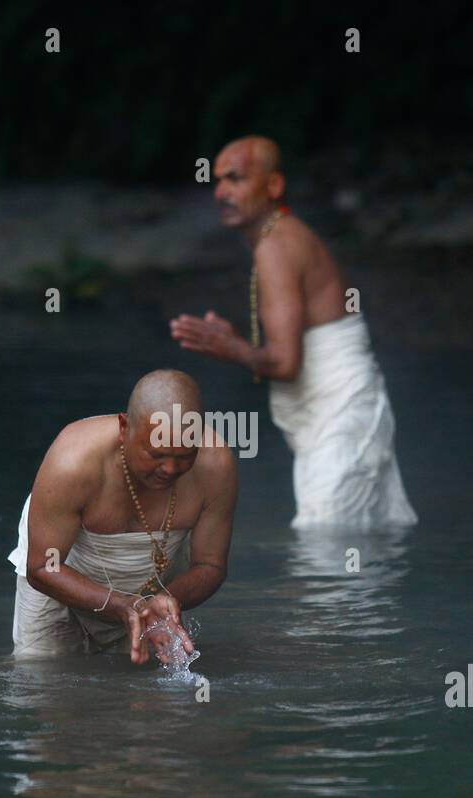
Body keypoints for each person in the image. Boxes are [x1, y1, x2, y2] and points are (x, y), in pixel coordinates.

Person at [170, 135, 417, 529]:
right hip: (346, 413)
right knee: (359, 541)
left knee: (326, 540)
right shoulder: (281, 238)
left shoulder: (276, 245)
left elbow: (285, 363)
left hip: (342, 417)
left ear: (273, 186)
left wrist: (230, 347)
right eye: (217, 181)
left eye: (235, 179)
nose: (221, 192)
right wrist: (236, 343)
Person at [7, 369, 237, 663]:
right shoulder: (72, 462)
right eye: (156, 455)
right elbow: (42, 567)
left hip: (154, 589)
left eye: (184, 456)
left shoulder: (215, 464)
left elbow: (210, 565)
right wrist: (121, 605)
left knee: (136, 692)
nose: (170, 468)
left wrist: (167, 600)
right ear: (124, 427)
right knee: (44, 679)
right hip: (59, 586)